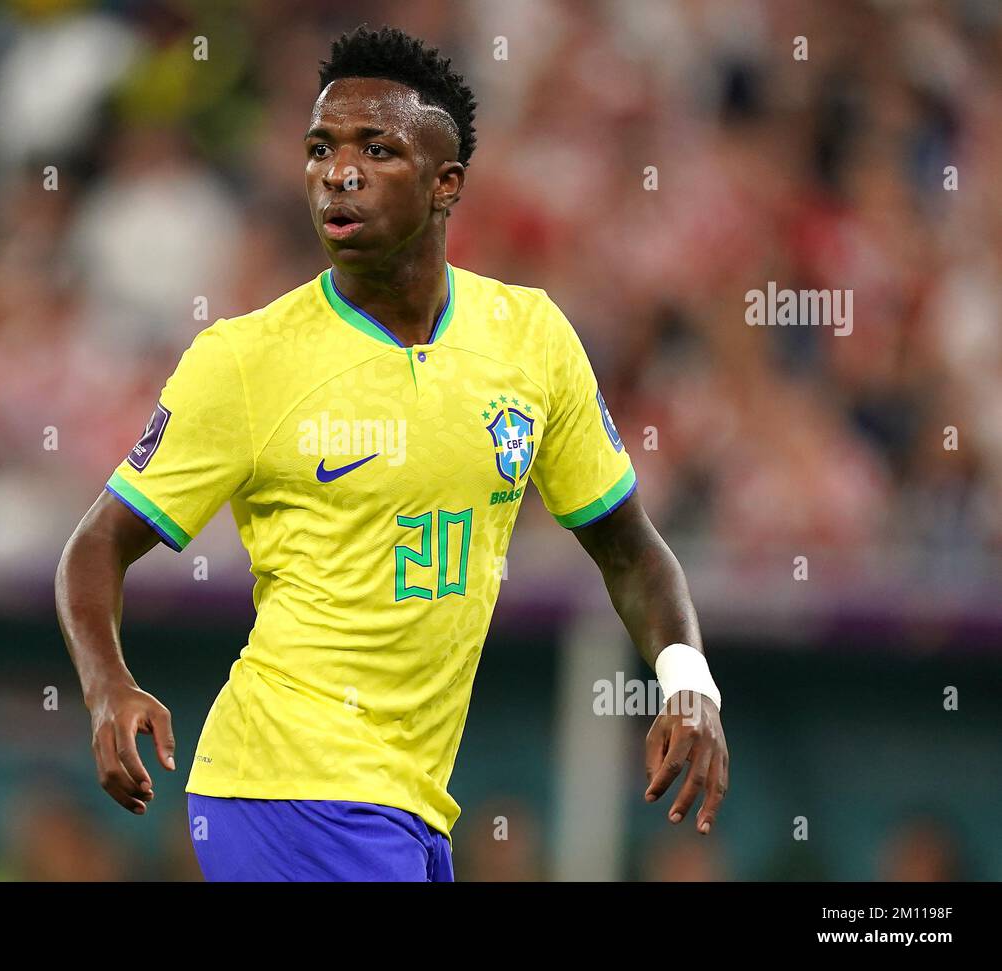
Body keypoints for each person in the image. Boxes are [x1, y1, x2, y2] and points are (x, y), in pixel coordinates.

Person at [56, 24, 728, 881]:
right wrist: (107, 683)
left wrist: (688, 680)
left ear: (447, 184)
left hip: (410, 802)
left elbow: (632, 550)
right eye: (321, 148)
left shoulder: (532, 340)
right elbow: (96, 544)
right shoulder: (246, 360)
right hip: (285, 785)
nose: (340, 171)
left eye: (378, 149)